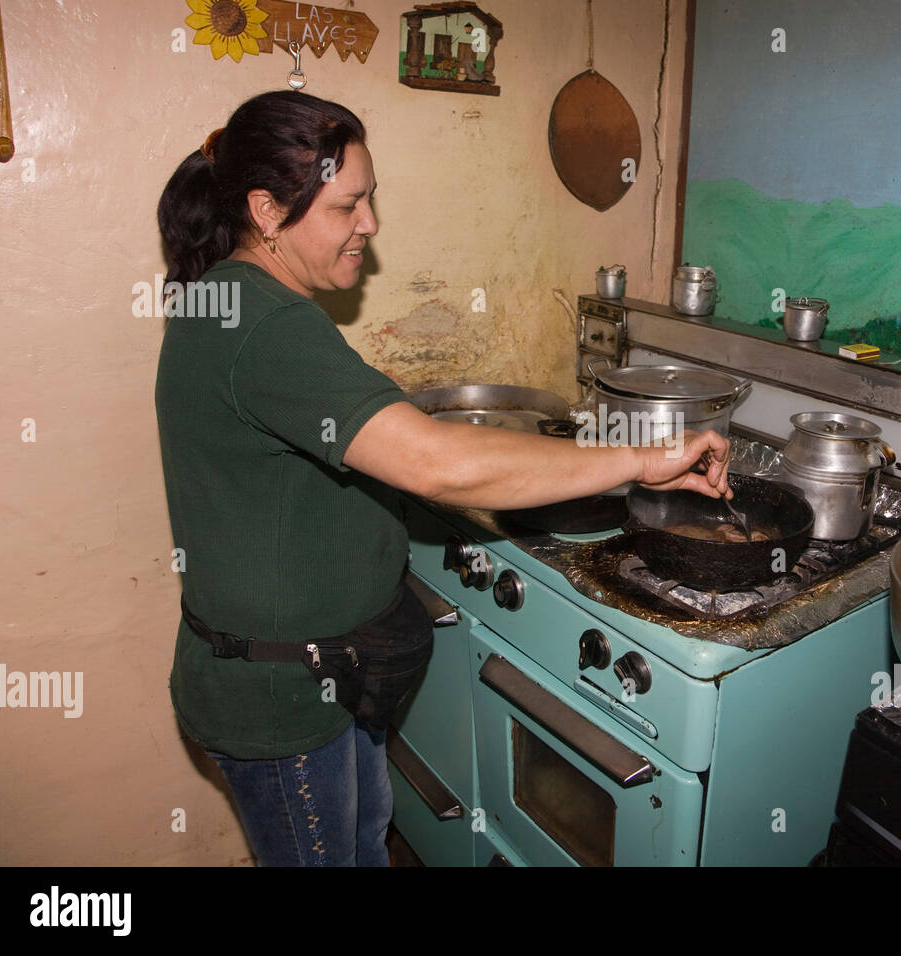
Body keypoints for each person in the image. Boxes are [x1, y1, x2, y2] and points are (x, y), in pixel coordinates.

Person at [154, 91, 730, 867]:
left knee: (365, 842)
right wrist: (641, 459)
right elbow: (435, 464)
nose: (371, 224)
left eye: (372, 198)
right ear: (266, 209)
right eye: (348, 204)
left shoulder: (236, 295)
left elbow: (315, 414)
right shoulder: (265, 324)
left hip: (314, 679)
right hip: (282, 706)